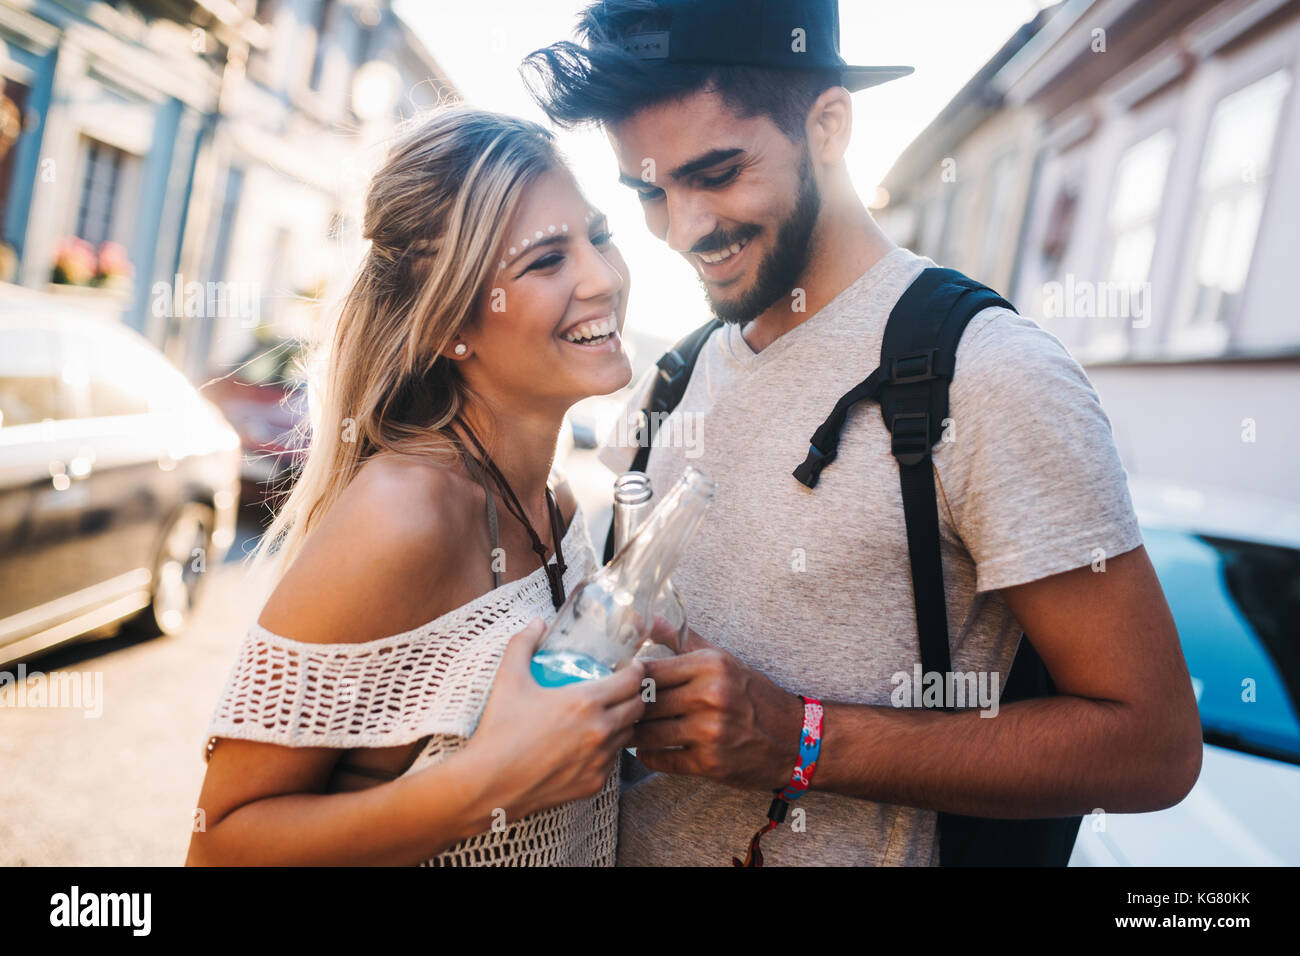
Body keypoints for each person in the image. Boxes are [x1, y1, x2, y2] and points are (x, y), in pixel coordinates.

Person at [523, 0, 1203, 866]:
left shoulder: (990, 375)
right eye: (652, 192)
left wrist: (806, 741)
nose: (684, 227)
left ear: (830, 124)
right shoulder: (668, 381)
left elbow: (1154, 749)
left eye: (719, 172)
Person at [187, 104, 647, 866]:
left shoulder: (555, 503)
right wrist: (490, 781)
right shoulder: (405, 511)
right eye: (545, 261)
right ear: (447, 330)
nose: (603, 278)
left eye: (597, 235)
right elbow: (218, 846)